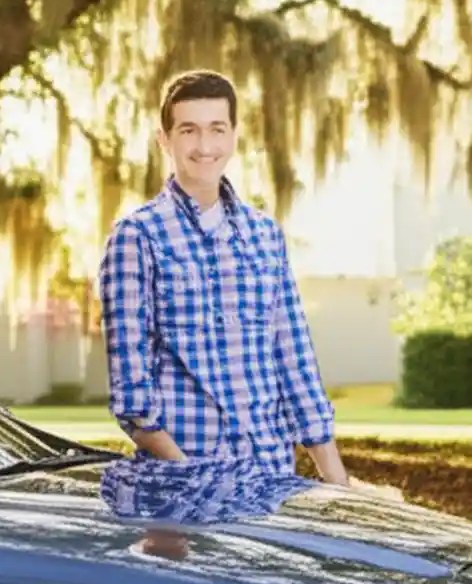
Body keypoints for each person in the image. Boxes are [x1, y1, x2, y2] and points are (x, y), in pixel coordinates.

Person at [97, 69, 349, 485]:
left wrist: (337, 481)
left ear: (234, 136)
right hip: (182, 487)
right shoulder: (136, 237)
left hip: (270, 479)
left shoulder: (265, 235)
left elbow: (294, 361)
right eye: (188, 130)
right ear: (165, 139)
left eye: (217, 129)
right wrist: (187, 475)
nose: (205, 146)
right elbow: (133, 392)